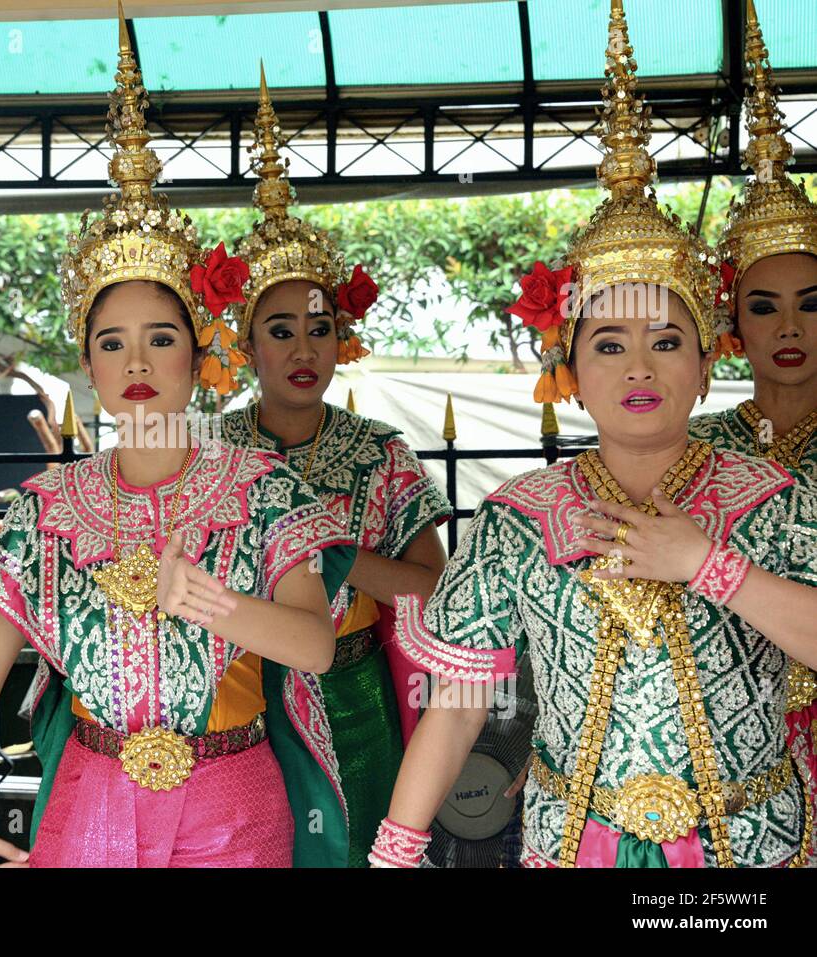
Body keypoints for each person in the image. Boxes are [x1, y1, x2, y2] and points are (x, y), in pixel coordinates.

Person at [370, 0, 816, 869]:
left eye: (665, 342)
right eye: (608, 345)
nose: (638, 368)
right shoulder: (518, 518)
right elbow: (459, 704)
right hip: (578, 842)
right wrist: (395, 849)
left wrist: (708, 565)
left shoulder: (767, 495)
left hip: (752, 848)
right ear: (571, 368)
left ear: (704, 361)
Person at [0, 5, 356, 868]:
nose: (137, 361)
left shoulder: (262, 487)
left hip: (236, 799)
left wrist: (212, 601)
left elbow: (312, 643)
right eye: (111, 342)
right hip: (89, 789)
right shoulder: (51, 506)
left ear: (199, 355)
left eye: (160, 338)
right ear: (87, 361)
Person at [215, 69, 450, 867]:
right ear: (245, 346)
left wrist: (339, 556)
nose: (302, 348)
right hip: (241, 692)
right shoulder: (210, 451)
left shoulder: (380, 451)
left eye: (319, 327)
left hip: (354, 692)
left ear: (341, 338)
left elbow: (428, 584)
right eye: (279, 330)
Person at [687, 0, 817, 850]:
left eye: (812, 305)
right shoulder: (700, 450)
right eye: (763, 308)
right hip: (732, 727)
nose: (789, 329)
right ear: (732, 325)